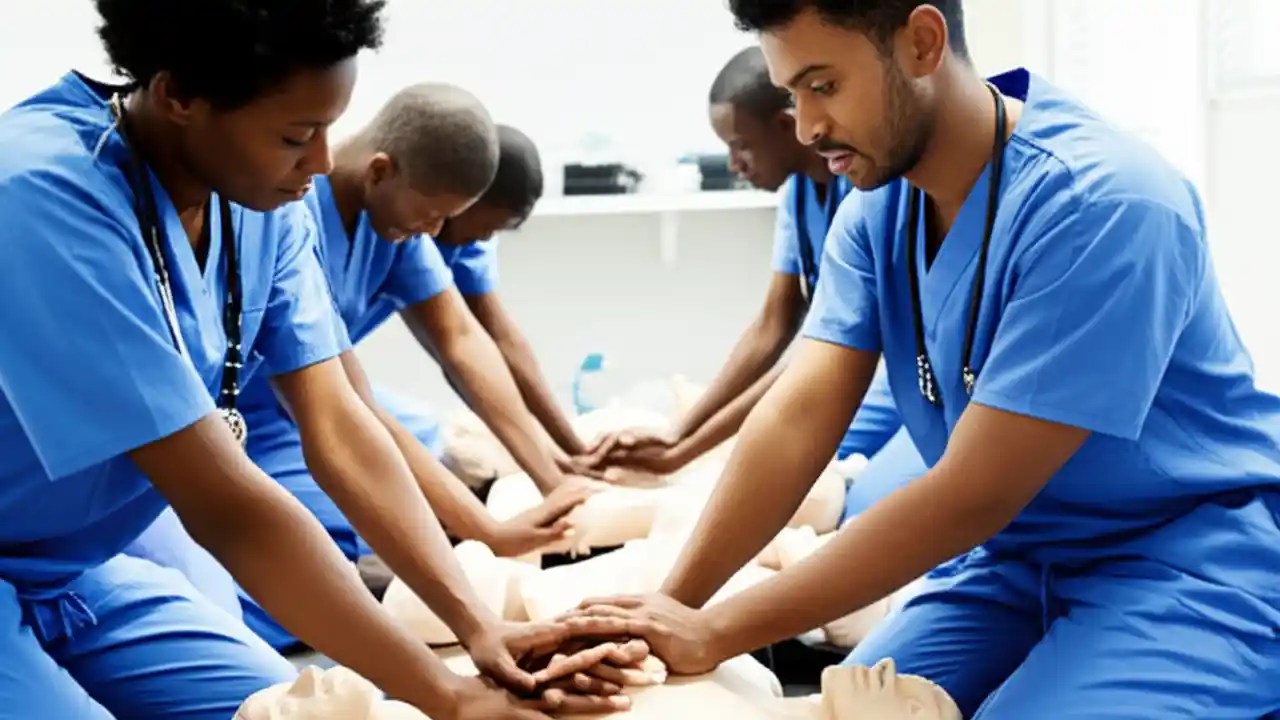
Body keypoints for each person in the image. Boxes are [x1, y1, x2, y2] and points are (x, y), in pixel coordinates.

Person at [575, 2, 1280, 717]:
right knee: (851, 707)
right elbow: (798, 416)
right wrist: (667, 612)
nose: (808, 126)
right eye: (792, 96)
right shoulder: (878, 208)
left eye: (824, 86)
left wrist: (718, 630)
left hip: (1185, 559)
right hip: (1015, 561)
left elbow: (973, 494)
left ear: (920, 42)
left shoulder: (1106, 203)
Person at [0, 2, 633, 718]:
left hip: (72, 568)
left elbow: (340, 426)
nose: (326, 162)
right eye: (298, 135)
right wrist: (448, 699)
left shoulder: (259, 204)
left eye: (330, 129)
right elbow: (229, 508)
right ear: (180, 96)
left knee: (298, 707)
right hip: (47, 551)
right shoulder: (40, 194)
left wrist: (481, 629)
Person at [233, 88, 593, 652]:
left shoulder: (393, 223)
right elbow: (351, 412)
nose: (435, 233)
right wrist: (487, 532)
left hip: (315, 413)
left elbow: (463, 340)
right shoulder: (291, 213)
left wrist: (555, 475)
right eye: (430, 216)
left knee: (427, 454)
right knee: (324, 559)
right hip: (259, 427)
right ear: (381, 172)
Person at [601, 46, 926, 519]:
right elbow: (773, 326)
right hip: (854, 377)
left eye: (740, 146)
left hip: (892, 377)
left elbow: (818, 357)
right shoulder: (798, 197)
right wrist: (680, 431)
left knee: (851, 506)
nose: (734, 164)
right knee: (770, 466)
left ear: (784, 125)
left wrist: (683, 452)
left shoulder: (867, 188)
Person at [433, 125, 607, 477]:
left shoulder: (467, 243)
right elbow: (459, 355)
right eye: (486, 226)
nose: (484, 239)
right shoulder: (410, 234)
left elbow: (501, 340)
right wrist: (548, 469)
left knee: (434, 444)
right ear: (462, 198)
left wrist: (572, 448)